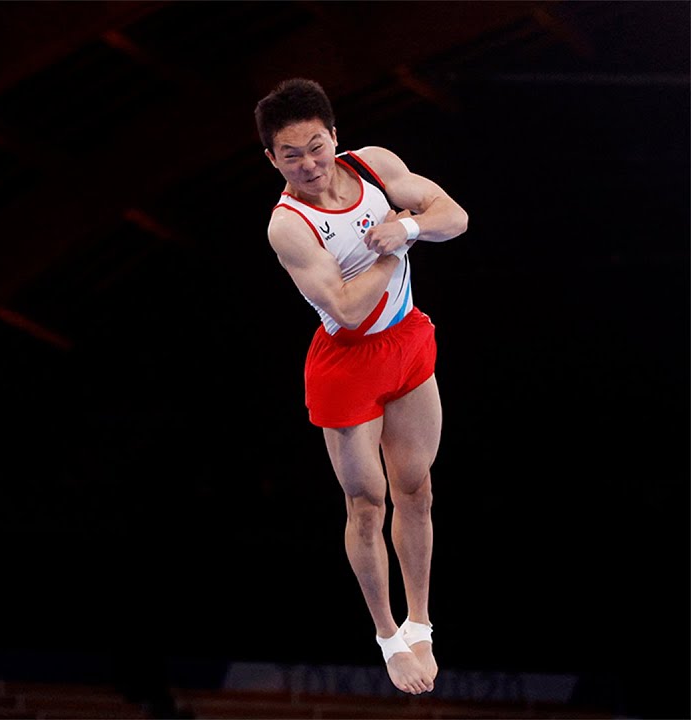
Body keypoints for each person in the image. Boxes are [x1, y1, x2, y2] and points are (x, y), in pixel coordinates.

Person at [254, 78, 469, 696]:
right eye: (291, 155)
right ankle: (387, 636)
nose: (310, 165)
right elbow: (346, 309)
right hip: (347, 362)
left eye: (316, 146)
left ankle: (421, 620)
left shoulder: (375, 167)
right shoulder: (289, 226)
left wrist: (405, 229)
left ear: (335, 137)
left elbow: (453, 218)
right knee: (367, 503)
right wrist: (392, 253)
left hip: (407, 341)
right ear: (273, 159)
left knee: (417, 489)